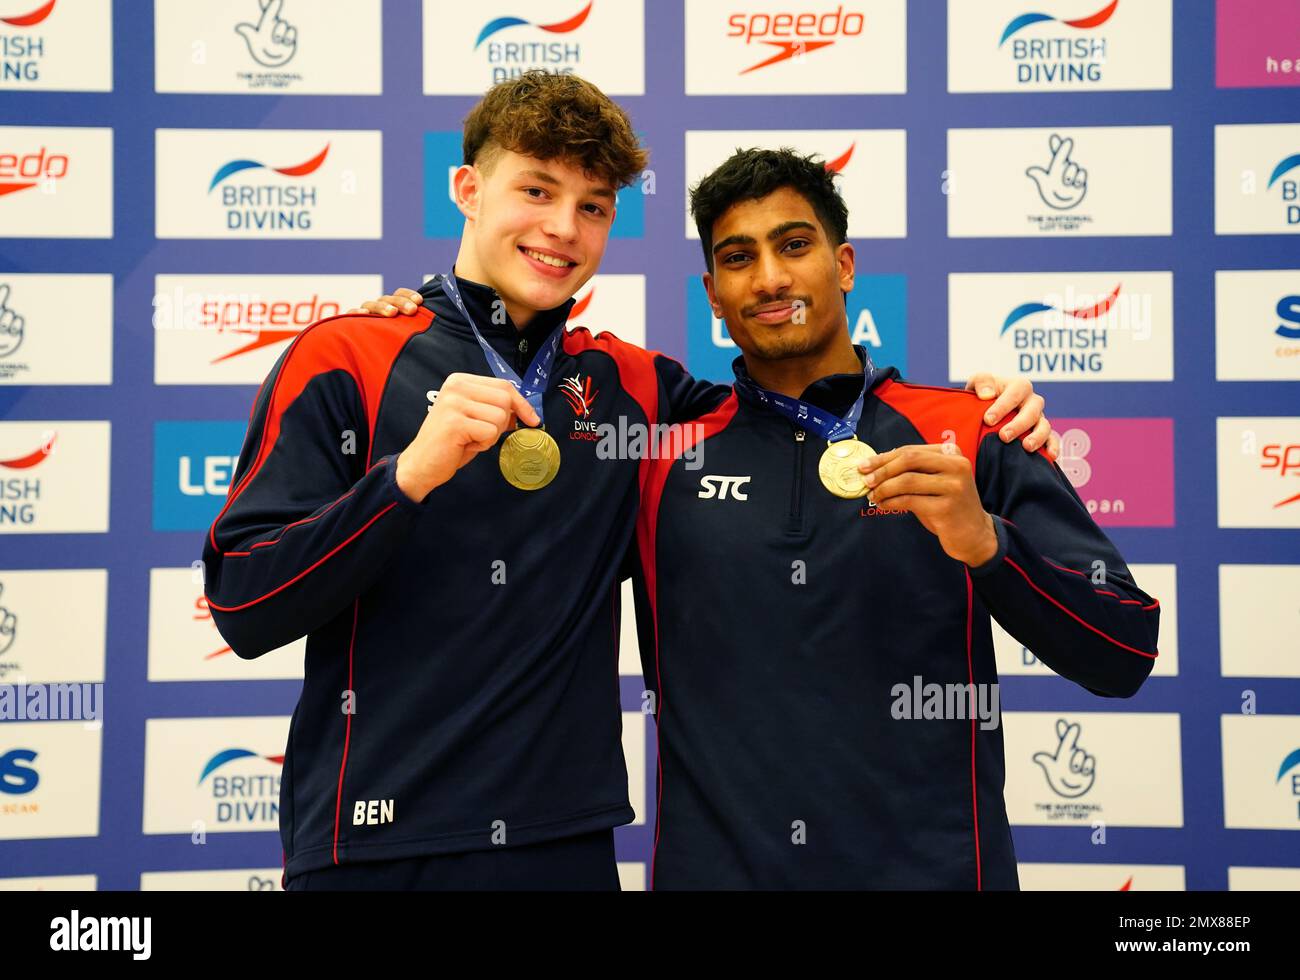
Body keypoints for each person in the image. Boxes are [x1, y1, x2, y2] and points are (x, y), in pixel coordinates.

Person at [207, 72, 1051, 891]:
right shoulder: (345, 355)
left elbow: (787, 407)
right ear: (468, 189)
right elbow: (244, 604)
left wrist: (990, 405)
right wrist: (403, 482)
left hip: (564, 844)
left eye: (592, 207)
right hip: (375, 844)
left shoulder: (629, 389)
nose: (562, 228)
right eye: (535, 192)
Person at [624, 148, 1158, 889]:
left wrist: (988, 547)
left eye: (795, 244)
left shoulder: (973, 432)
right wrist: (411, 312)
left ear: (844, 265)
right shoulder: (656, 457)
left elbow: (1124, 650)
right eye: (739, 258)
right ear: (713, 294)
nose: (772, 277)